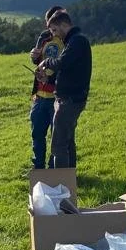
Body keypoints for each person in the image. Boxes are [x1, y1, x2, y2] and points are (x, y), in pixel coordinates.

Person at [37, 10, 92, 169]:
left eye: (54, 30)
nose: (54, 35)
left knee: (58, 146)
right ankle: (70, 180)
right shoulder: (73, 41)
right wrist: (49, 79)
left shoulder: (77, 41)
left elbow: (62, 62)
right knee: (67, 141)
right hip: (68, 99)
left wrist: (46, 62)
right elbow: (68, 70)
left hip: (69, 101)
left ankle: (61, 186)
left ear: (64, 25)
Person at [28, 6, 66, 169]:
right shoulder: (43, 37)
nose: (49, 29)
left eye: (52, 26)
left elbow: (66, 66)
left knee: (57, 137)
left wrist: (51, 79)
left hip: (57, 96)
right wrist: (34, 57)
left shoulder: (67, 40)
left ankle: (53, 169)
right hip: (40, 95)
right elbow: (38, 61)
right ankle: (38, 167)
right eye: (48, 25)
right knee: (37, 133)